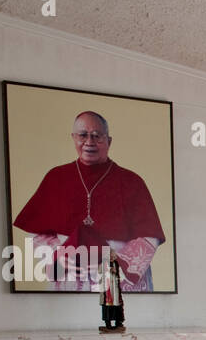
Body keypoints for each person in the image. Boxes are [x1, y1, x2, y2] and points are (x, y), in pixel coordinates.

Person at [13, 111, 165, 292]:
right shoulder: (57, 177)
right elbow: (38, 231)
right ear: (73, 138)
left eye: (97, 136)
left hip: (117, 277)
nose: (89, 142)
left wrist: (113, 264)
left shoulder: (132, 181)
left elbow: (148, 236)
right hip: (70, 273)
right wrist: (60, 256)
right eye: (83, 135)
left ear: (109, 141)